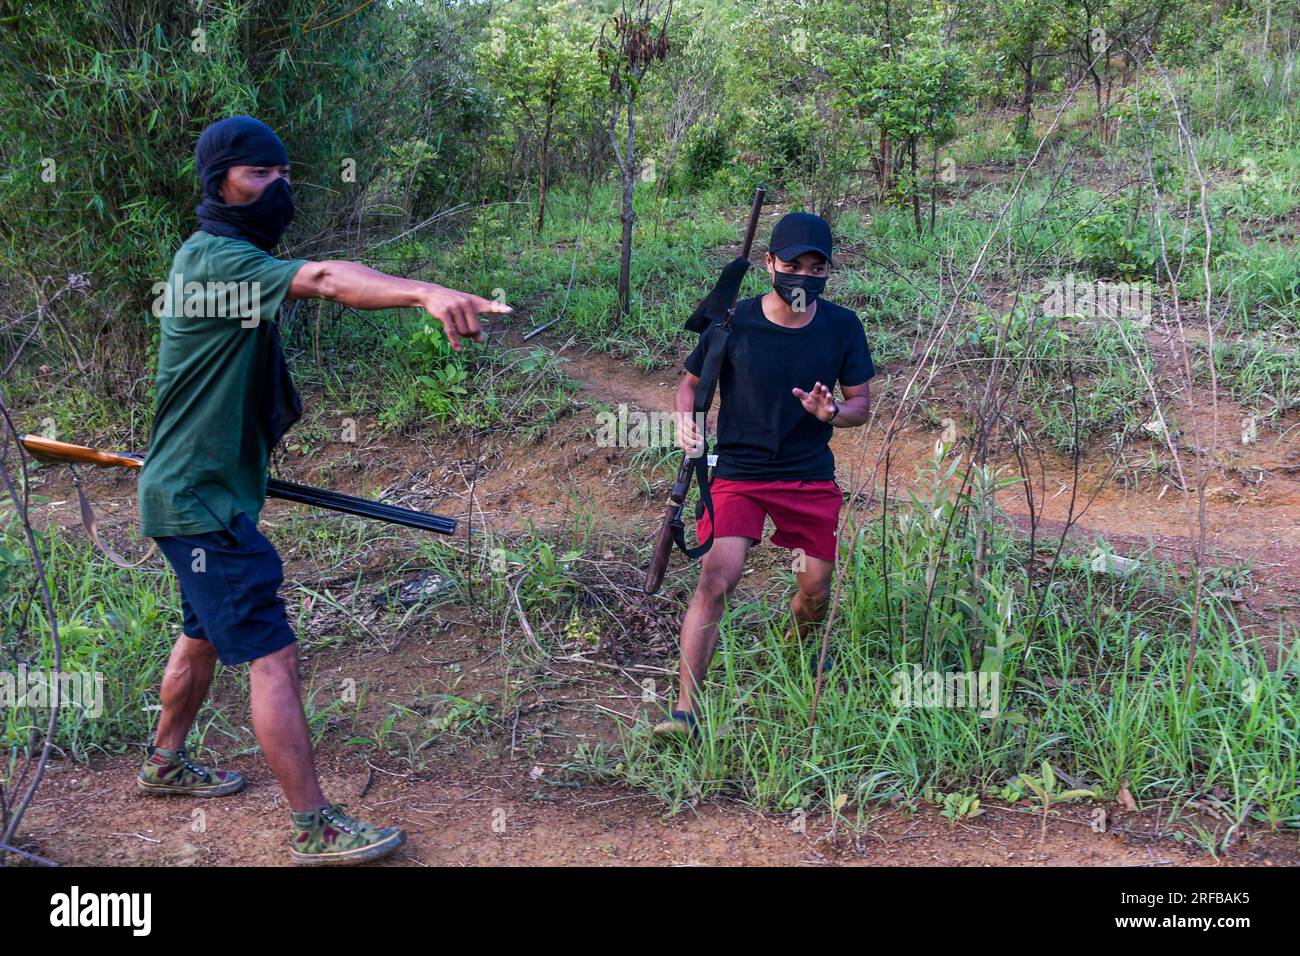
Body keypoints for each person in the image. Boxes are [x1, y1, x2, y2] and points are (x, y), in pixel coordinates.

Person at [135, 116, 510, 864]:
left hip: (198, 494)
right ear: (219, 184)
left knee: (203, 631)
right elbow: (324, 278)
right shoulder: (215, 261)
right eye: (257, 176)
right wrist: (424, 292)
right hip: (199, 505)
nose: (277, 189)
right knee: (272, 655)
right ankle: (315, 826)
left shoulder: (217, 259)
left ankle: (165, 761)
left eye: (282, 175)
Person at [654, 212, 875, 739]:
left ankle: (796, 649)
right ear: (769, 263)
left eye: (815, 267)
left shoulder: (842, 327)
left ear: (829, 270)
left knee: (815, 590)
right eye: (792, 264)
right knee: (716, 577)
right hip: (739, 472)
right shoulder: (733, 323)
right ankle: (685, 712)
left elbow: (861, 404)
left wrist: (831, 416)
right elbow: (690, 386)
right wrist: (688, 423)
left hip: (807, 473)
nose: (803, 276)